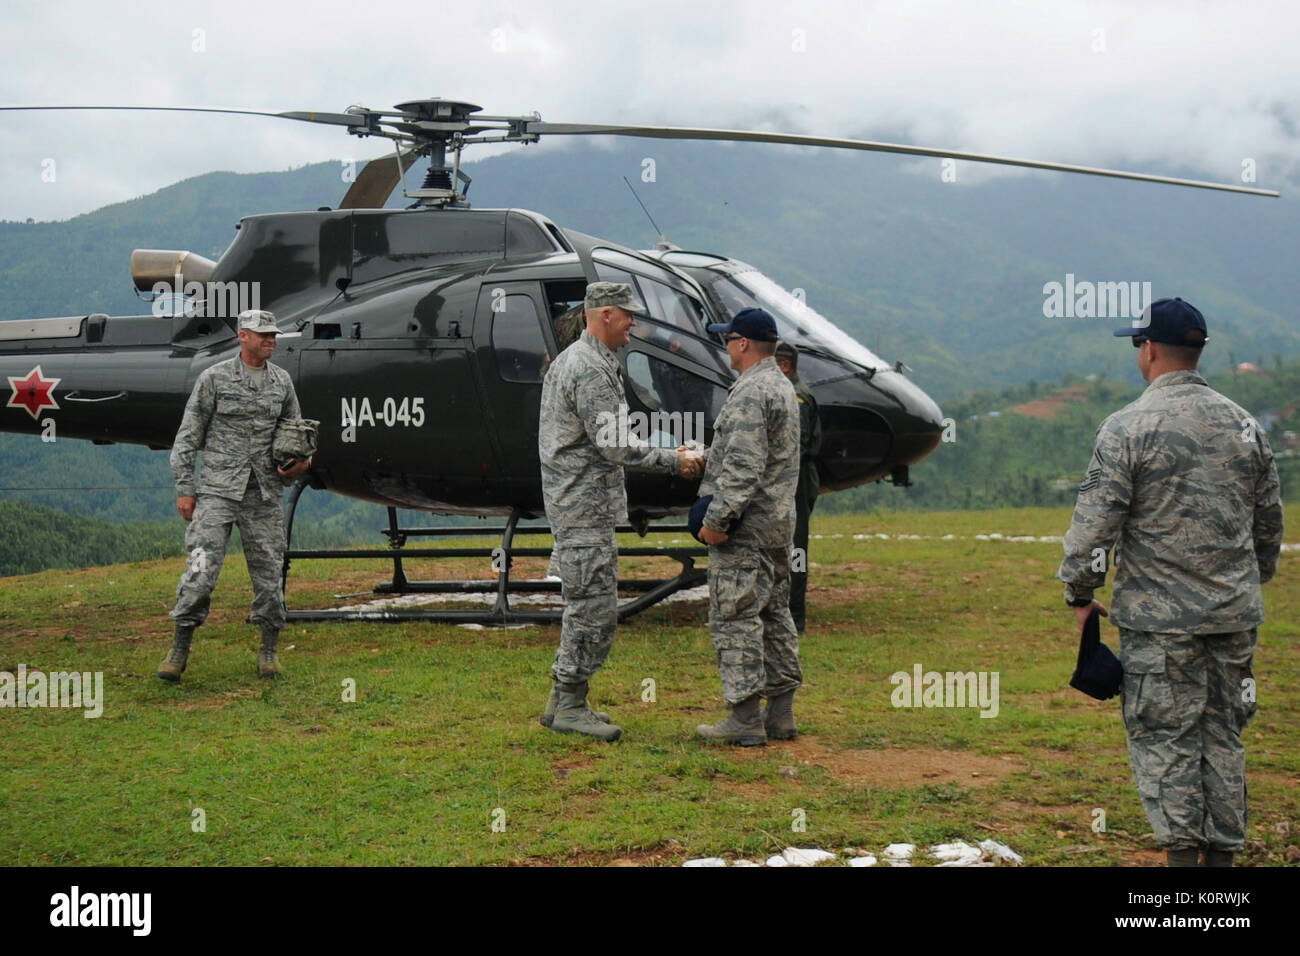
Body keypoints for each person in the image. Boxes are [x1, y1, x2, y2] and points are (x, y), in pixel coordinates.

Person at [1058, 297, 1284, 867]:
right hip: (1233, 618)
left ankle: (1185, 883)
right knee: (1224, 737)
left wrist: (1081, 594)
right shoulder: (1245, 425)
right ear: (1198, 350)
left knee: (1165, 738)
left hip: (1160, 626)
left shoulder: (1127, 428)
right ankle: (1222, 874)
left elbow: (1093, 528)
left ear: (1149, 349)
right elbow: (1268, 524)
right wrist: (1245, 582)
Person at [538, 281, 702, 741]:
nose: (634, 323)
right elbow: (615, 445)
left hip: (581, 505)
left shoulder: (585, 361)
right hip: (583, 508)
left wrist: (670, 448)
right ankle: (570, 702)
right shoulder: (588, 368)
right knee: (594, 611)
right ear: (605, 314)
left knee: (585, 605)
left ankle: (564, 702)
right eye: (628, 315)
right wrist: (677, 459)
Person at [158, 310, 313, 682]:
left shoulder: (282, 383)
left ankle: (269, 651)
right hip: (216, 492)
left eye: (273, 334)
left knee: (269, 576)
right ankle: (178, 649)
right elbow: (188, 436)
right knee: (199, 572)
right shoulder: (214, 379)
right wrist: (184, 489)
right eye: (263, 335)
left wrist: (301, 462)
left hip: (263, 493)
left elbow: (297, 433)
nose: (271, 340)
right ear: (243, 337)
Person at [695, 308, 802, 745]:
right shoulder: (781, 385)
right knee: (775, 614)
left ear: (741, 344)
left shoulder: (749, 392)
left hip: (745, 529)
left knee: (735, 616)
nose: (726, 348)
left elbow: (743, 465)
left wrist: (717, 520)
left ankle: (743, 718)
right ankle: (781, 715)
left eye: (727, 340)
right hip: (777, 526)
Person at [775, 340, 821, 633]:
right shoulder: (788, 392)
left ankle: (796, 617)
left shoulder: (797, 397)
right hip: (791, 478)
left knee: (796, 550)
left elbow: (798, 446)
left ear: (785, 365)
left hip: (797, 480)